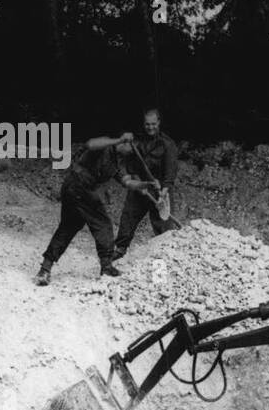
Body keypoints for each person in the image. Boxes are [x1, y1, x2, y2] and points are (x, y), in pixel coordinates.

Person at [34, 132, 150, 286]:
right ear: (124, 142)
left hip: (78, 189)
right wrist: (119, 139)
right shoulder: (105, 146)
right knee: (103, 225)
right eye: (132, 146)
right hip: (78, 186)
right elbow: (90, 143)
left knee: (68, 227)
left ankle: (45, 269)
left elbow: (127, 182)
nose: (132, 150)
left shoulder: (117, 162)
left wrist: (144, 185)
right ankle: (106, 267)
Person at [113, 108, 181, 261]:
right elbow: (131, 167)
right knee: (127, 220)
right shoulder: (137, 143)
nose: (150, 127)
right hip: (140, 188)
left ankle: (161, 273)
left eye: (153, 124)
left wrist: (164, 192)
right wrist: (139, 184)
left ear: (159, 123)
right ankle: (117, 257)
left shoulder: (167, 144)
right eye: (147, 124)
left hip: (160, 192)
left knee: (163, 231)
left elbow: (170, 173)